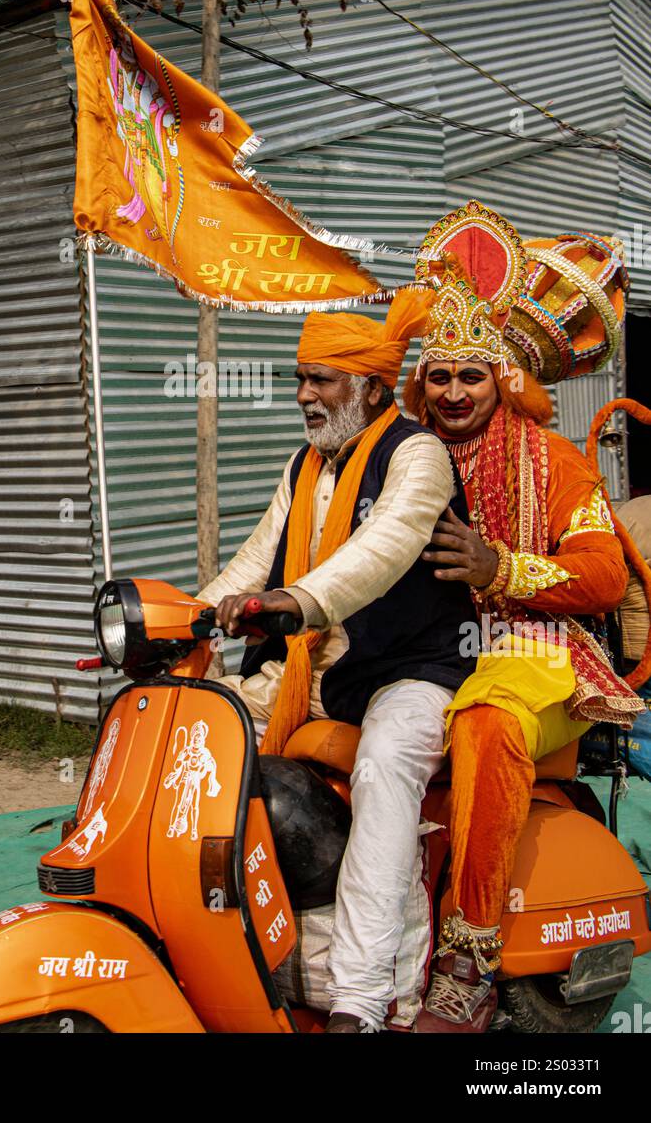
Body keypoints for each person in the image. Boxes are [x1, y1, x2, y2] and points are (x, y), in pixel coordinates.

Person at [197, 287, 479, 1033]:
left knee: (386, 766)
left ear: (373, 387)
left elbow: (380, 553)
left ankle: (359, 999)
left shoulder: (418, 455)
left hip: (411, 672)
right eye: (300, 379)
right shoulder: (307, 466)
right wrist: (183, 618)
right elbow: (254, 561)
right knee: (198, 725)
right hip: (311, 670)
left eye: (321, 379)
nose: (304, 395)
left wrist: (295, 602)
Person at [401, 201, 645, 1033]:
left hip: (534, 654)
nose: (455, 392)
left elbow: (605, 575)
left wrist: (497, 567)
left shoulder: (553, 457)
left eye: (472, 375)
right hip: (418, 656)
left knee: (488, 728)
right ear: (420, 384)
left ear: (503, 379)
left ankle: (467, 957)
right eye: (440, 375)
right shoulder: (401, 458)